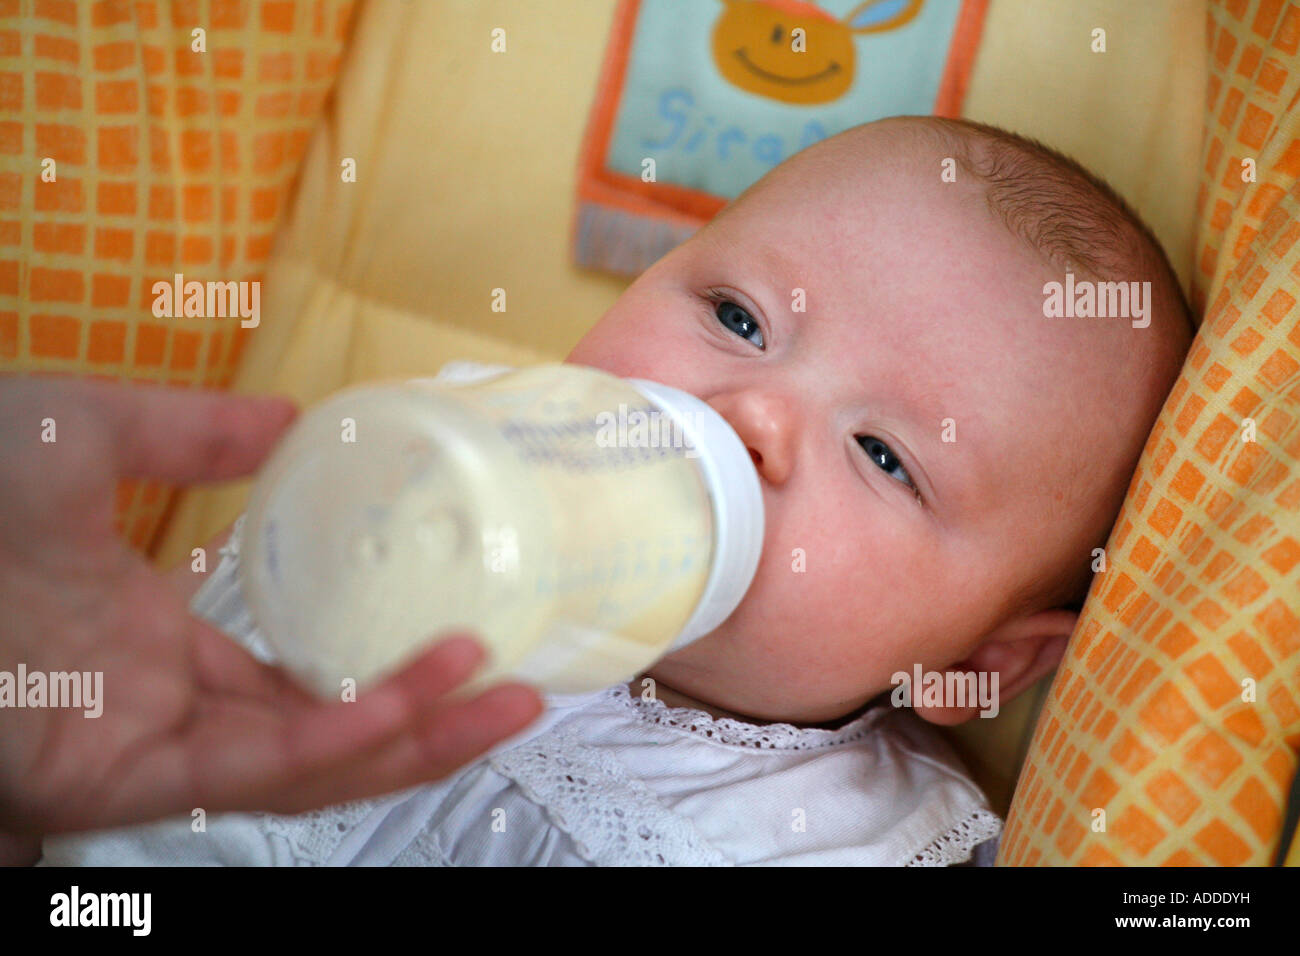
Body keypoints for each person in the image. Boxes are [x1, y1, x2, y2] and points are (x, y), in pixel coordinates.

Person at [28, 115, 1193, 865]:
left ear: (977, 664)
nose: (753, 417)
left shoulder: (857, 843)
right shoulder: (431, 456)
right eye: (738, 318)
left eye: (884, 455)